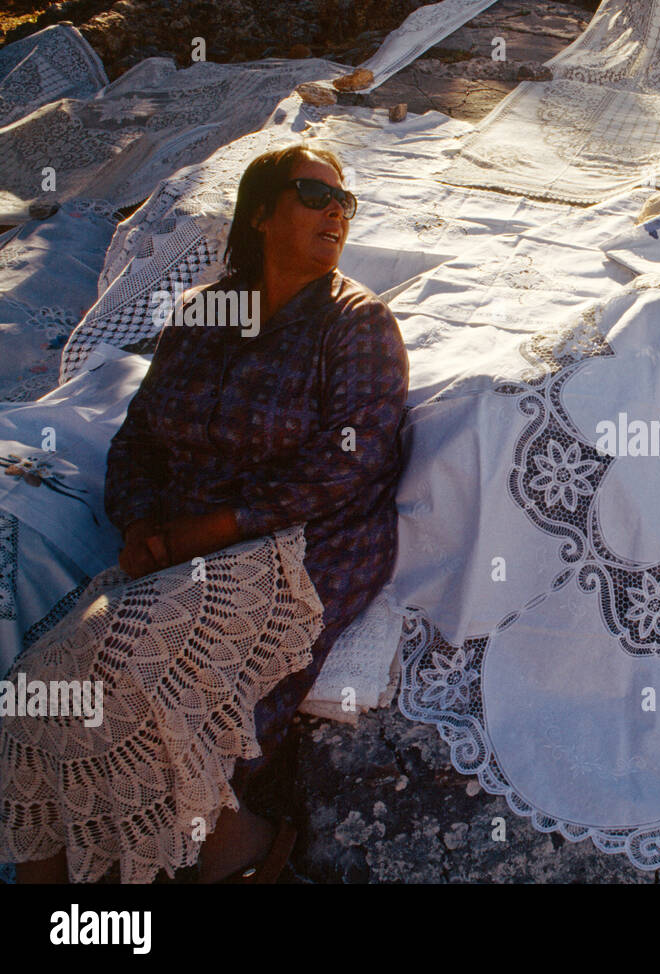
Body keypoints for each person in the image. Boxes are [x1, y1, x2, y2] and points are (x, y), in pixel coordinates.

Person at [14, 143, 409, 883]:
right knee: (39, 685)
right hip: (182, 548)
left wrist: (217, 527)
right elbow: (138, 439)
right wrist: (139, 527)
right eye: (312, 194)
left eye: (344, 202)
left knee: (134, 671)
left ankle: (239, 845)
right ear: (260, 213)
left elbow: (350, 460)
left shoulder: (356, 323)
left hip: (300, 546)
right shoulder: (205, 312)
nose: (335, 212)